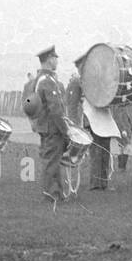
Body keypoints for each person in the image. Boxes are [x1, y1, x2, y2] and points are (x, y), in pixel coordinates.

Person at [67, 47, 112, 191]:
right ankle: (95, 184)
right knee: (96, 152)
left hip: (103, 119)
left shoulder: (97, 80)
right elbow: (72, 105)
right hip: (90, 121)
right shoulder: (77, 82)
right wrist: (74, 125)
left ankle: (103, 183)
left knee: (105, 150)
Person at [33, 47, 68, 202]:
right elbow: (55, 110)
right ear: (49, 59)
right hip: (52, 127)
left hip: (48, 126)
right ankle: (51, 194)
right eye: (55, 58)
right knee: (51, 163)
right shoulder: (47, 81)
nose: (57, 61)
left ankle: (56, 193)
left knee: (53, 161)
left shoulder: (46, 79)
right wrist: (66, 130)